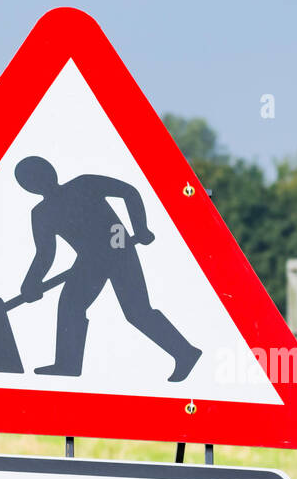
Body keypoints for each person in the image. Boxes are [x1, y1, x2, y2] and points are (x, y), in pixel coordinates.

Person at [15, 155, 201, 381]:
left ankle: (185, 353)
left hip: (119, 249)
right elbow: (45, 254)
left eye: (40, 174)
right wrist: (31, 282)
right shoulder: (41, 213)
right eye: (30, 180)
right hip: (89, 261)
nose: (38, 181)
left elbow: (128, 191)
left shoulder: (84, 184)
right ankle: (67, 364)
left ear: (51, 171)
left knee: (137, 311)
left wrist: (140, 227)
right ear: (28, 187)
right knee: (69, 307)